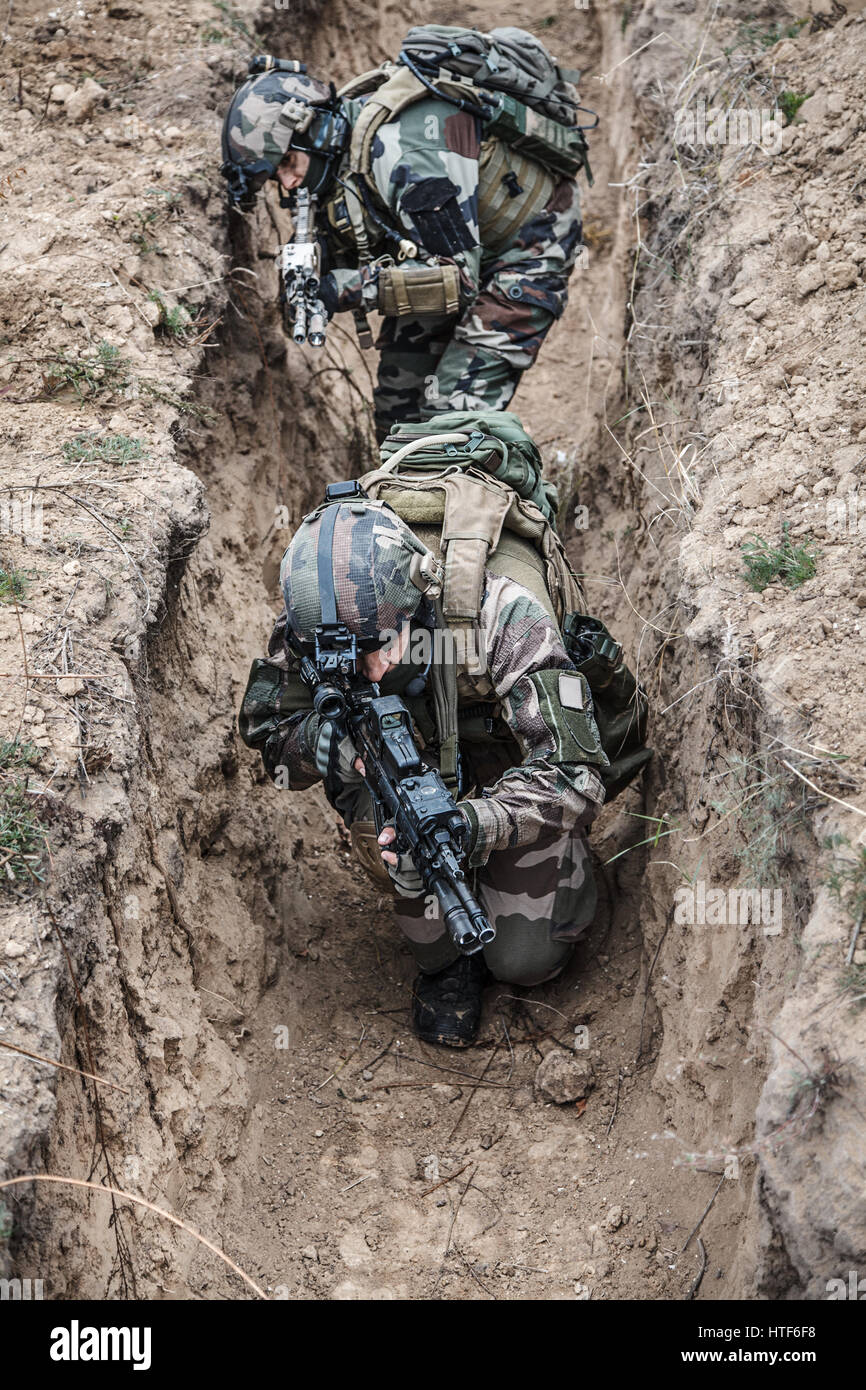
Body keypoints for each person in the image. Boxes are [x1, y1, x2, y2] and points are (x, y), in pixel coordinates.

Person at [238, 491, 609, 1048]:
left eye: (385, 644)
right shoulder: (311, 624)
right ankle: (444, 956)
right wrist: (329, 744)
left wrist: (475, 825)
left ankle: (576, 874)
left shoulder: (497, 612)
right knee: (425, 909)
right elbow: (270, 740)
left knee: (525, 960)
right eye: (353, 657)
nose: (375, 668)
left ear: (419, 597)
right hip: (408, 767)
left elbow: (576, 774)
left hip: (509, 770)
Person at [221, 49, 588, 442]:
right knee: (400, 415)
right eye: (279, 176)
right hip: (447, 253)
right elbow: (368, 234)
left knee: (447, 422)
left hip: (527, 248)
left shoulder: (408, 154)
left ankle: (486, 497)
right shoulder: (341, 153)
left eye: (289, 163)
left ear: (315, 130)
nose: (290, 183)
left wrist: (340, 289)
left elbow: (456, 281)